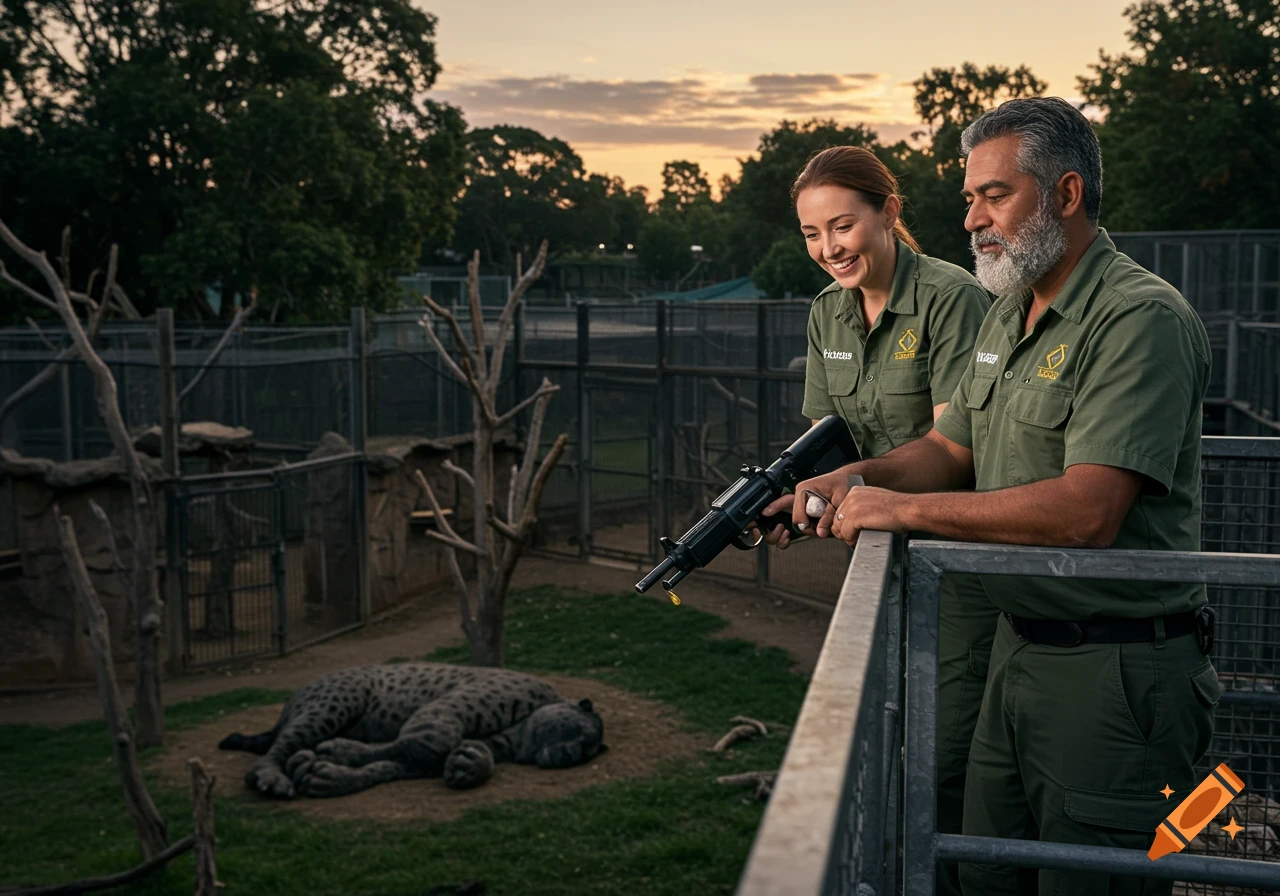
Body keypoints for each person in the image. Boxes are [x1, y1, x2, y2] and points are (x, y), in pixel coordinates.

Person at [776, 98, 1217, 896]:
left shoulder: (1138, 317)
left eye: (997, 195)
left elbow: (1087, 513)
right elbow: (950, 450)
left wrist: (900, 511)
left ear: (1068, 194)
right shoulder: (1008, 310)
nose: (973, 218)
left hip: (1113, 668)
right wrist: (857, 478)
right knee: (979, 873)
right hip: (1018, 645)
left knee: (1092, 887)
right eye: (969, 197)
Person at [761, 145, 994, 896]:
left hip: (951, 558)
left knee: (944, 753)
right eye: (811, 234)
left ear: (889, 213)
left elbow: (955, 453)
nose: (829, 249)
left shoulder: (951, 298)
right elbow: (832, 437)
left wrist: (848, 479)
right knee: (890, 736)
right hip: (878, 557)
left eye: (843, 225)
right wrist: (792, 495)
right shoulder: (825, 310)